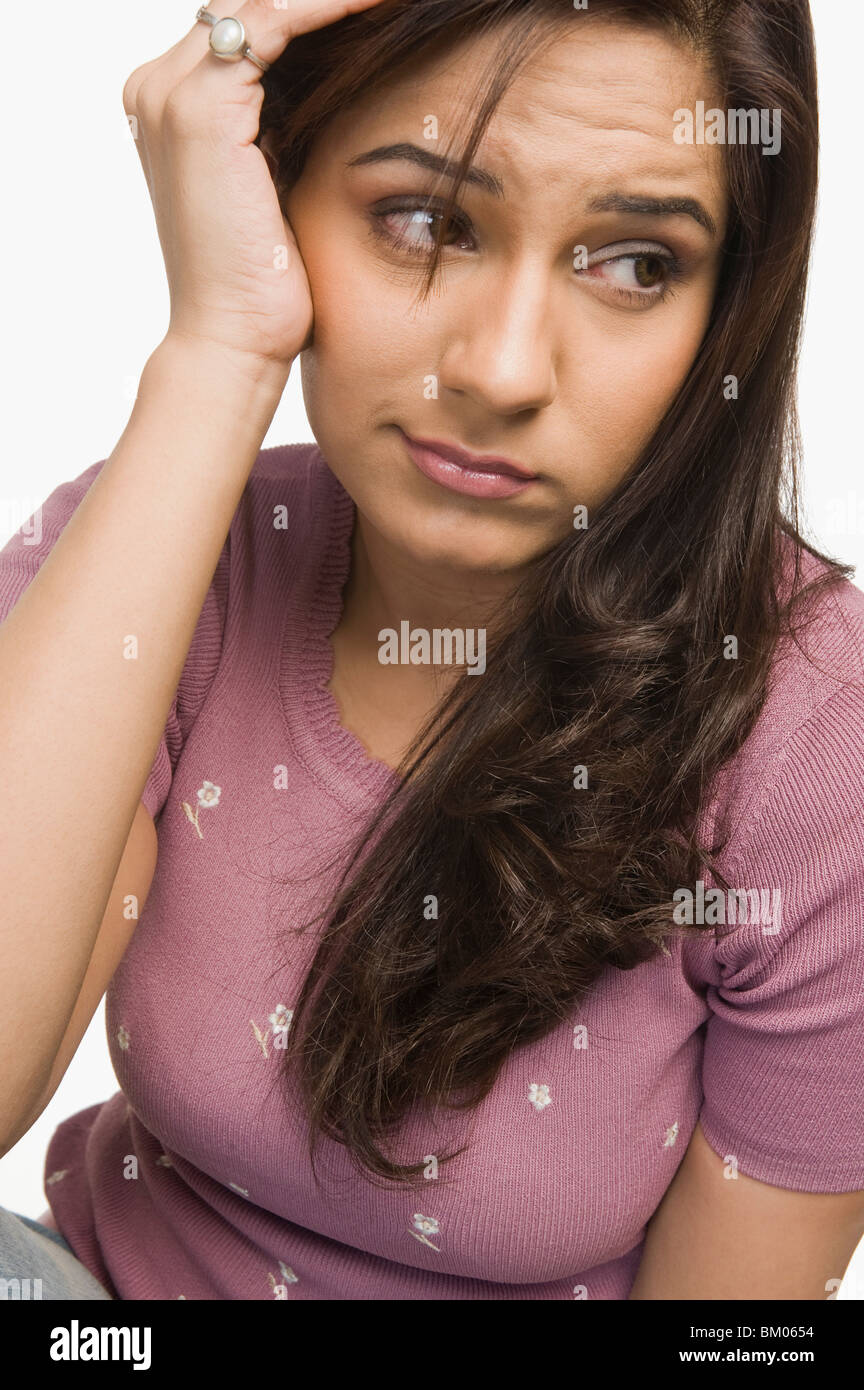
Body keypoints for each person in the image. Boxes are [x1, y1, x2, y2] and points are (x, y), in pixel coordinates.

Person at [1, 0, 863, 1302]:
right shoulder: (167, 550)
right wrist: (216, 353)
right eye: (425, 220)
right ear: (284, 193)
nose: (504, 369)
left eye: (634, 262)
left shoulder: (822, 744)